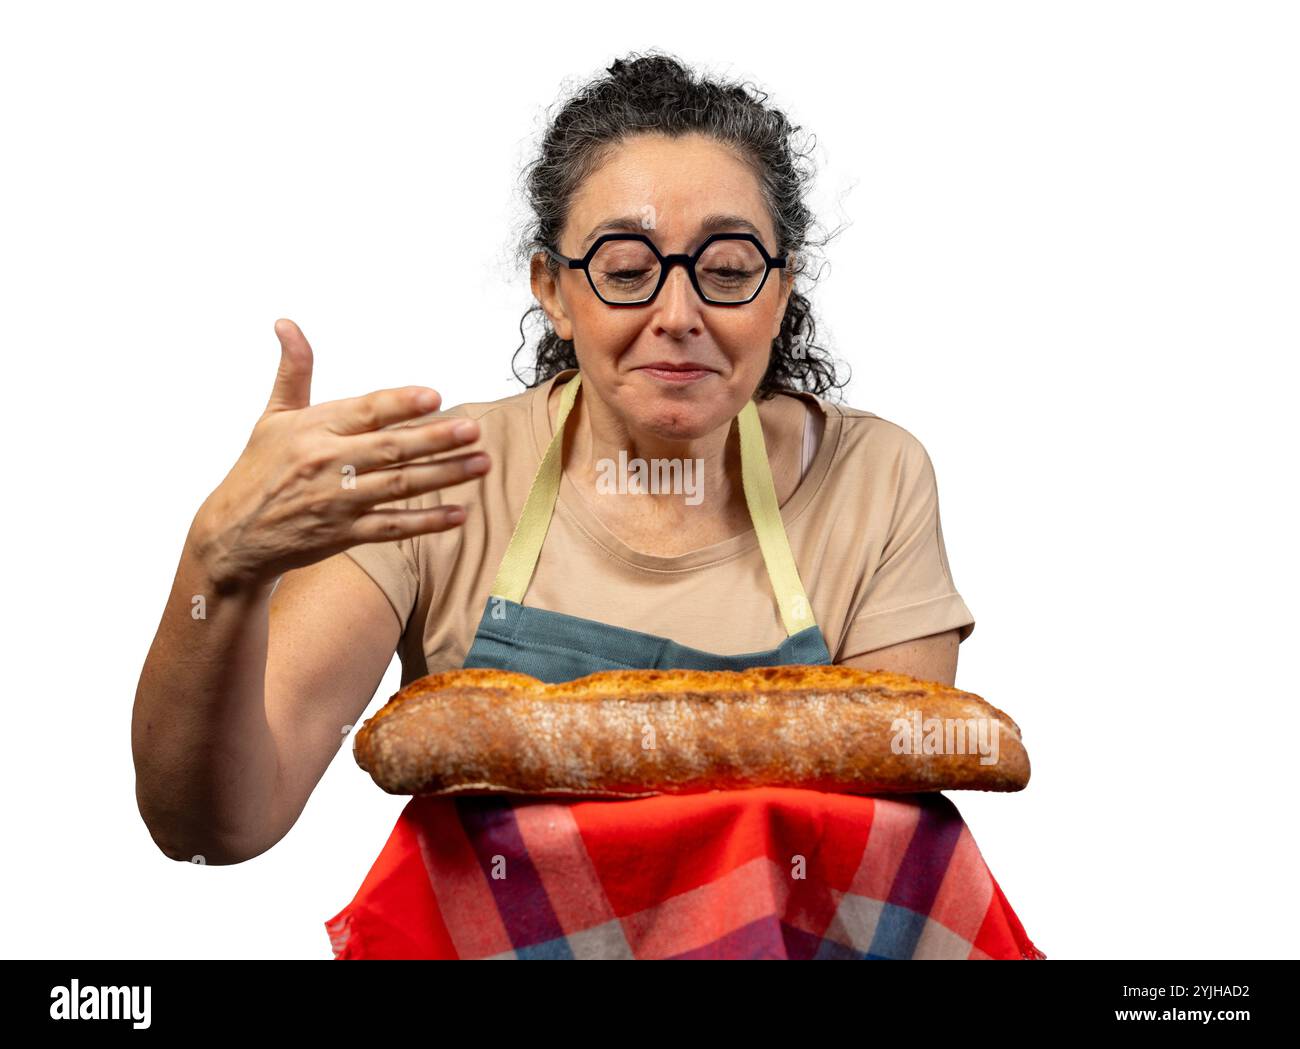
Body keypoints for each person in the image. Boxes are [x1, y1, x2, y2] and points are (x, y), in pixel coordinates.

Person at [132, 54, 996, 959]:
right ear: (553, 288)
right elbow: (213, 828)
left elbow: (876, 867)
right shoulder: (441, 476)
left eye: (729, 268)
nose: (678, 311)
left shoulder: (874, 478)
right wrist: (218, 566)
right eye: (626, 269)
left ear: (779, 291)